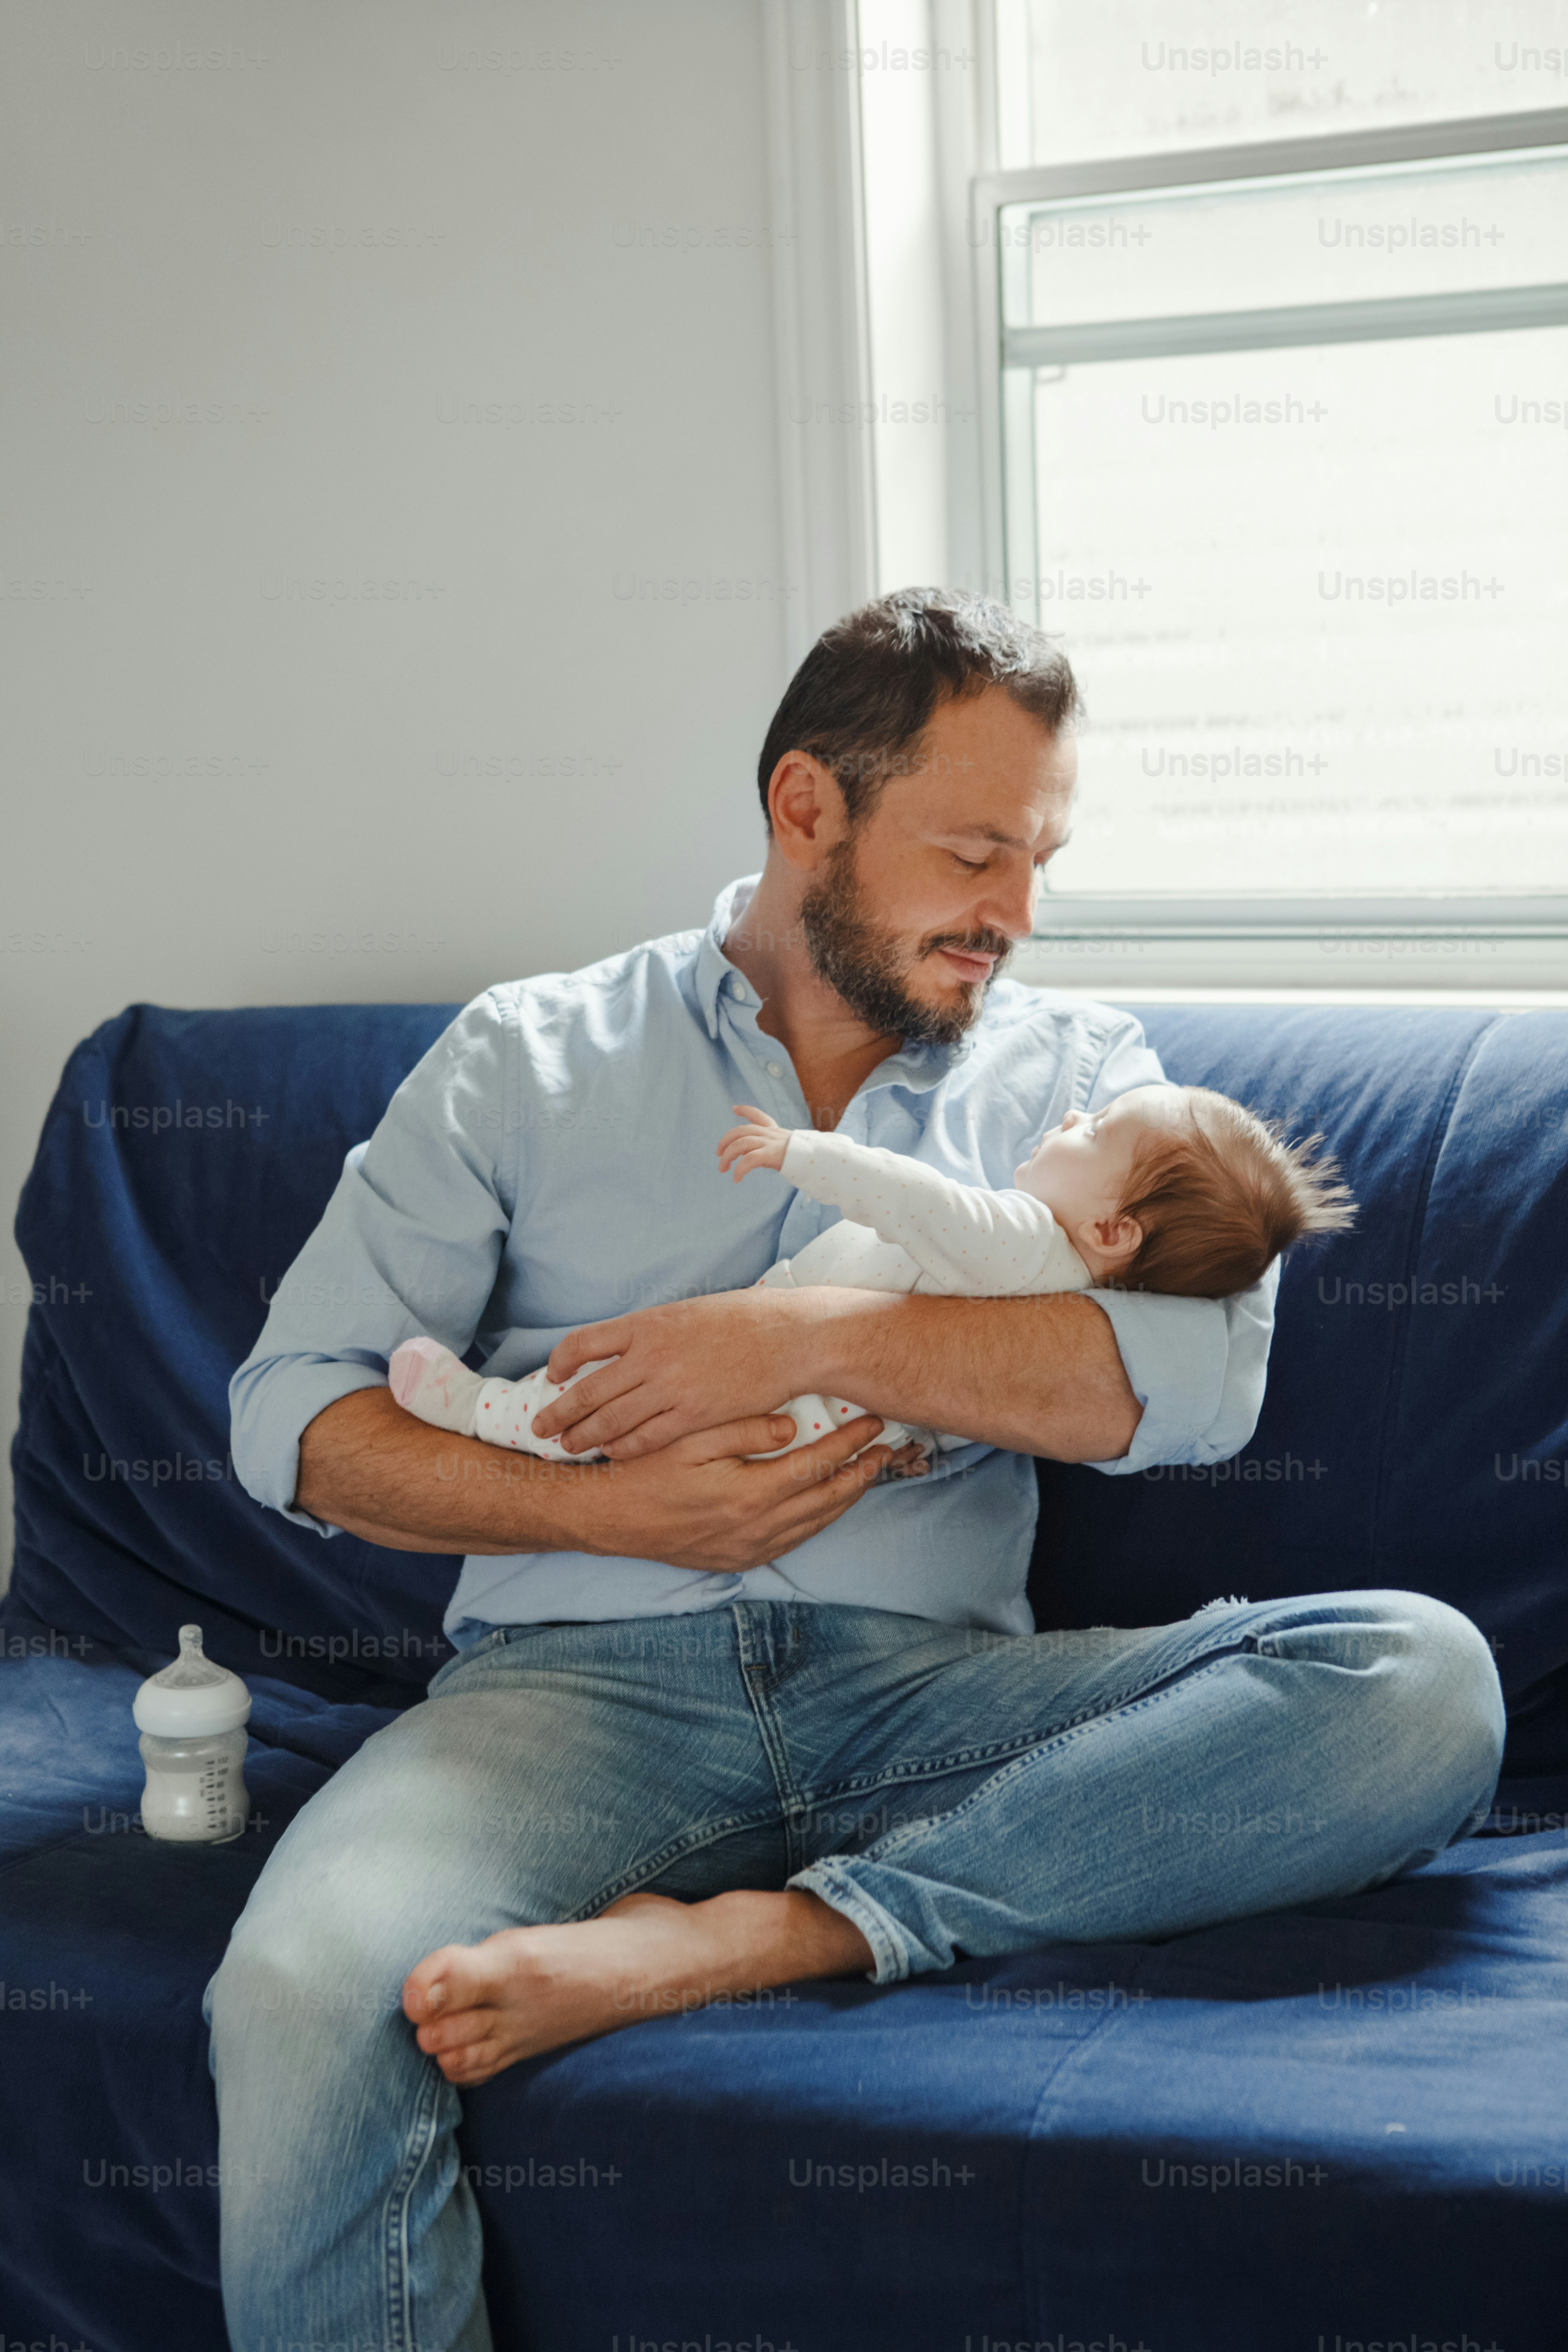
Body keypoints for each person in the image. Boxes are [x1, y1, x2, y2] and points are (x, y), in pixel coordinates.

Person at [207, 589, 1504, 2352]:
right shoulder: (528, 1055)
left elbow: (1200, 1388)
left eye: (1040, 860)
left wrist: (808, 1339)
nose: (1014, 912)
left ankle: (782, 1935)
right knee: (298, 1990)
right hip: (566, 1704)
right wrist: (604, 1509)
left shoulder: (1083, 1080)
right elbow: (295, 1410)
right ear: (806, 806)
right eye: (974, 853)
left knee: (1418, 1682)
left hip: (937, 1706)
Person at [386, 1082, 1356, 1467]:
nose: (1069, 1116)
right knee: (654, 1435)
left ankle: (484, 1411)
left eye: (1094, 1128)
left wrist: (803, 1153)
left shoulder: (1022, 1239)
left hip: (796, 1398)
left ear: (1113, 1228)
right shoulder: (1077, 1291)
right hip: (838, 1431)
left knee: (616, 1409)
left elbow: (918, 1202)